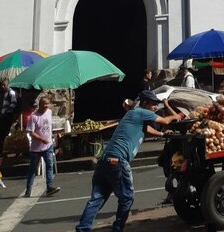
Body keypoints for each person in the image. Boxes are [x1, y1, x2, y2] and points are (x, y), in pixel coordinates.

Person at [76, 91, 179, 232]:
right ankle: (117, 229)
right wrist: (176, 114)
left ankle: (82, 229)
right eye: (153, 105)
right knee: (127, 198)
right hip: (117, 160)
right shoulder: (141, 112)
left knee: (97, 198)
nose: (155, 108)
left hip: (104, 160)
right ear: (144, 103)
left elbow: (146, 129)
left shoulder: (133, 115)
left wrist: (161, 134)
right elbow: (166, 121)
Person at [24, 94, 60, 197]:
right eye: (44, 104)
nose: (46, 106)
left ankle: (49, 187)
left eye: (47, 104)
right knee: (32, 169)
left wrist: (50, 138)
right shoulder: (34, 117)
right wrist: (41, 139)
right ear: (40, 104)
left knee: (49, 165)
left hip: (48, 146)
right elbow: (31, 132)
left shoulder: (49, 112)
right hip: (36, 148)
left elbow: (49, 126)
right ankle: (28, 190)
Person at [0, 78, 21, 153]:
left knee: (5, 132)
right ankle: (1, 149)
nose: (2, 86)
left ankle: (5, 150)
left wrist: (7, 111)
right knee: (1, 133)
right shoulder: (5, 93)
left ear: (8, 85)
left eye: (4, 85)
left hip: (8, 116)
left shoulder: (11, 92)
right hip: (4, 115)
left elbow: (13, 103)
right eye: (2, 85)